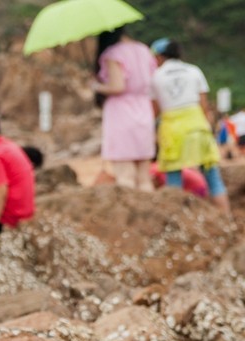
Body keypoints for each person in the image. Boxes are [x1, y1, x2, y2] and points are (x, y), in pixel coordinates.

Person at [150, 39, 230, 213]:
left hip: (173, 131)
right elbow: (204, 106)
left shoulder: (156, 76)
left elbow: (154, 111)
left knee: (173, 181)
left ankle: (178, 222)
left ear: (160, 56)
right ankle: (227, 220)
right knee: (213, 179)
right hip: (197, 125)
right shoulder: (194, 70)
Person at [91, 27, 156, 190]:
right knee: (144, 178)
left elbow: (117, 86)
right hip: (144, 110)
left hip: (121, 113)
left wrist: (96, 86)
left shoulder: (113, 53)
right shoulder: (144, 49)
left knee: (125, 175)